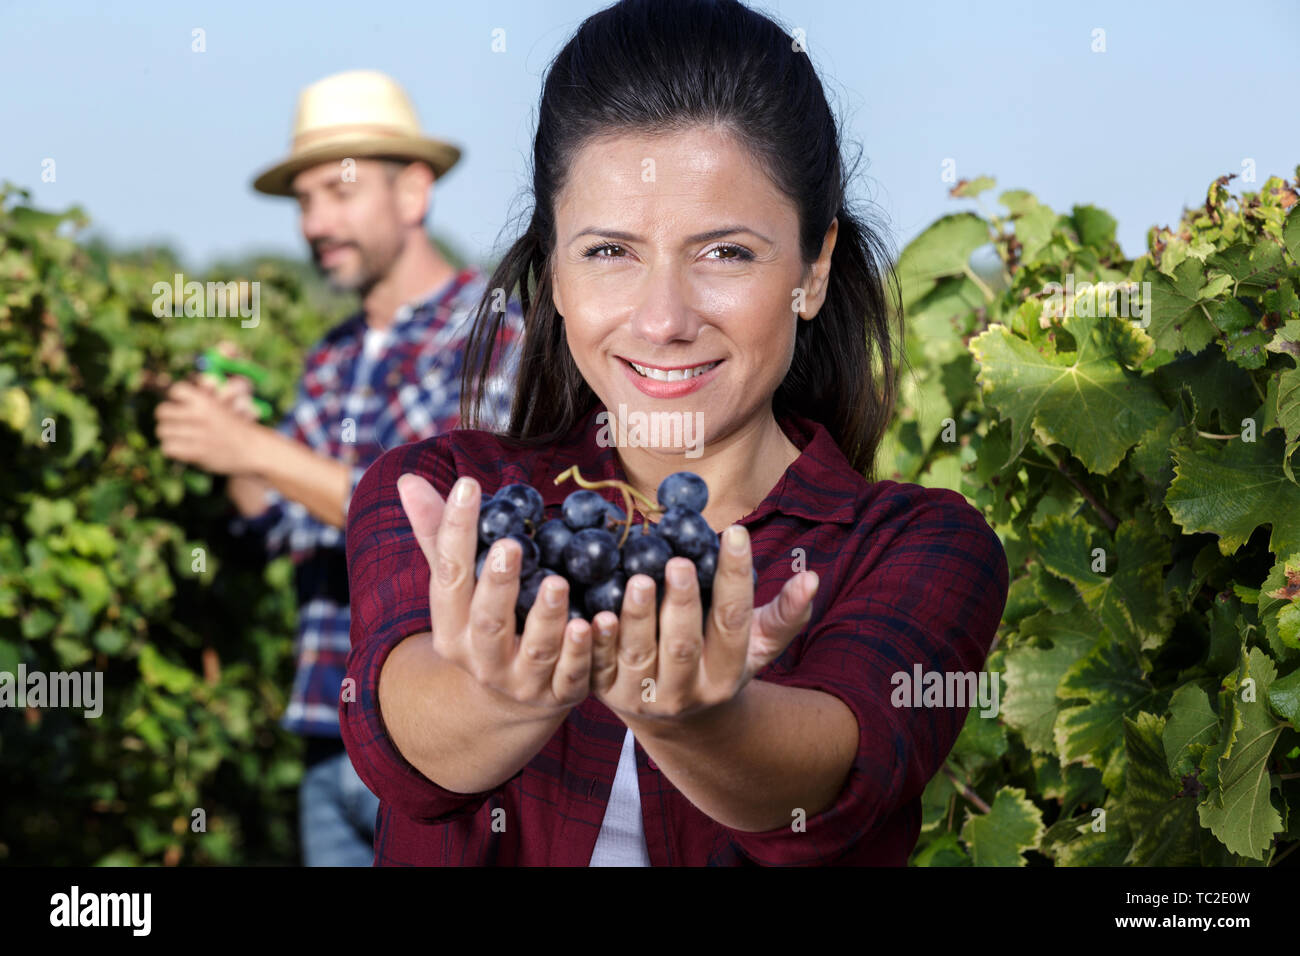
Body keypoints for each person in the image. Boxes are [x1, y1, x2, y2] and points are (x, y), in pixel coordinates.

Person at [341, 0, 1008, 866]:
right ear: (553, 275)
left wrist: (697, 716)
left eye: (725, 253)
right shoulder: (442, 490)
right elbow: (403, 747)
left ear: (813, 268)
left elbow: (831, 784)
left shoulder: (921, 545)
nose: (663, 320)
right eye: (609, 252)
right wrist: (502, 692)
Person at [154, 69, 519, 865]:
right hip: (329, 731)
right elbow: (280, 525)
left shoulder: (490, 337)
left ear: (414, 191)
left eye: (339, 192)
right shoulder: (331, 356)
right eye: (304, 200)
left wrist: (258, 450)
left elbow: (447, 518)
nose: (316, 221)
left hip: (443, 740)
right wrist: (237, 453)